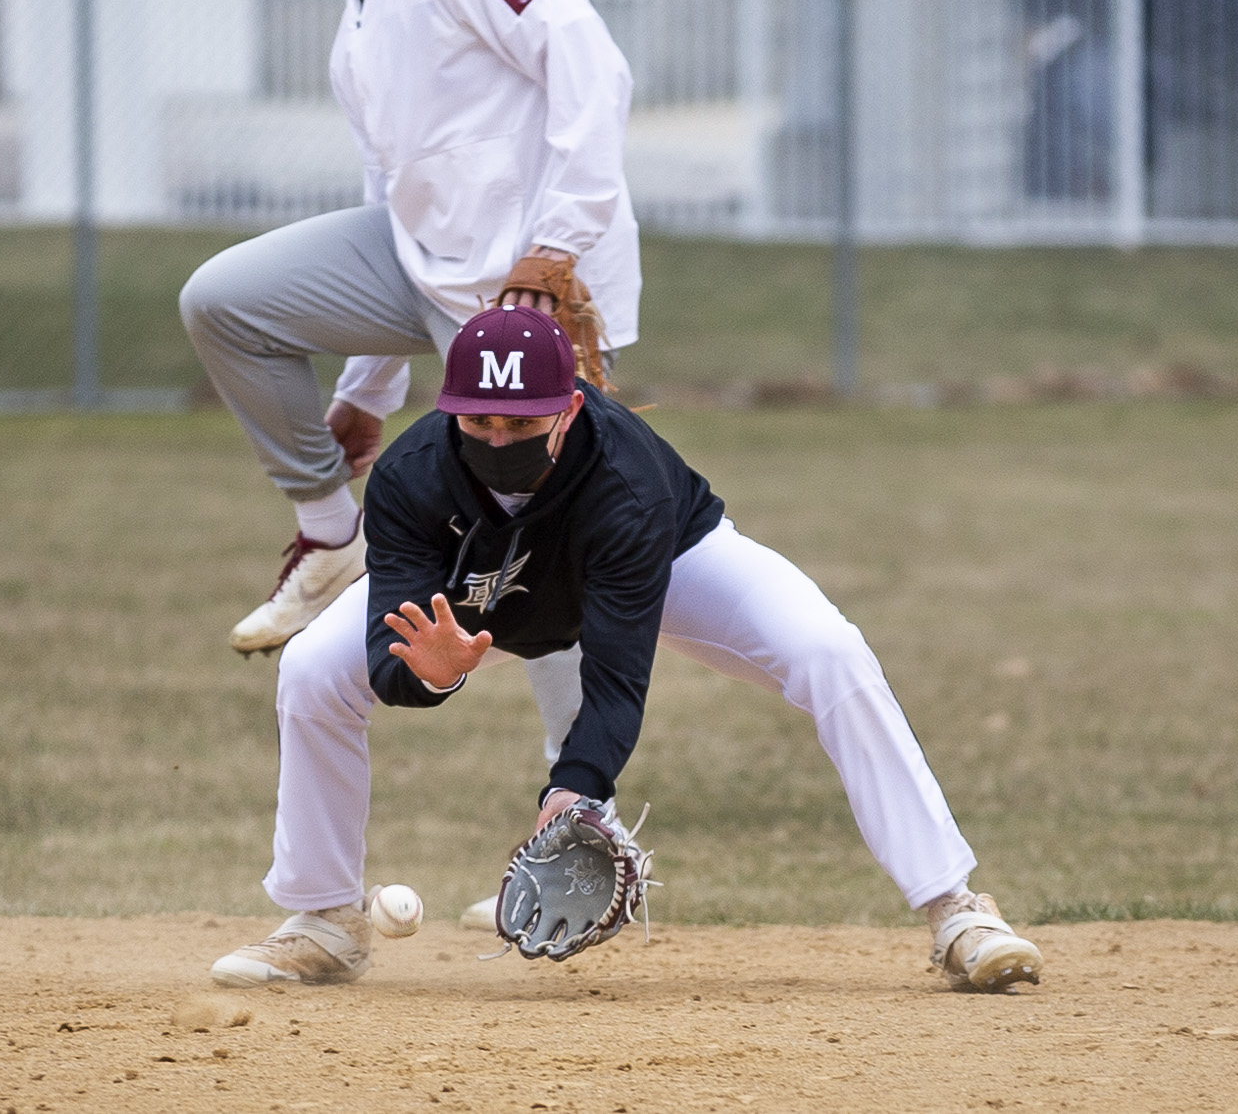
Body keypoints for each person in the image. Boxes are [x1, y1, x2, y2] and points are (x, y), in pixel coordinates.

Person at [209, 306, 1045, 995]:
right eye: (479, 420)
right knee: (312, 671)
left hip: (668, 564)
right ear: (445, 409)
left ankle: (957, 908)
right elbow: (394, 636)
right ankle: (324, 919)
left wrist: (571, 791)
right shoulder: (410, 477)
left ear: (571, 406)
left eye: (523, 421)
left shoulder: (626, 480)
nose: (499, 439)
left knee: (829, 648)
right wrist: (430, 676)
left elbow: (613, 666)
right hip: (490, 600)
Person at [177, 0, 639, 822]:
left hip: (533, 296)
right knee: (223, 302)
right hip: (433, 272)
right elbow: (395, 193)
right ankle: (330, 534)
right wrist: (366, 391)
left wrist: (552, 253)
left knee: (544, 565)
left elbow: (592, 73)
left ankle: (582, 821)